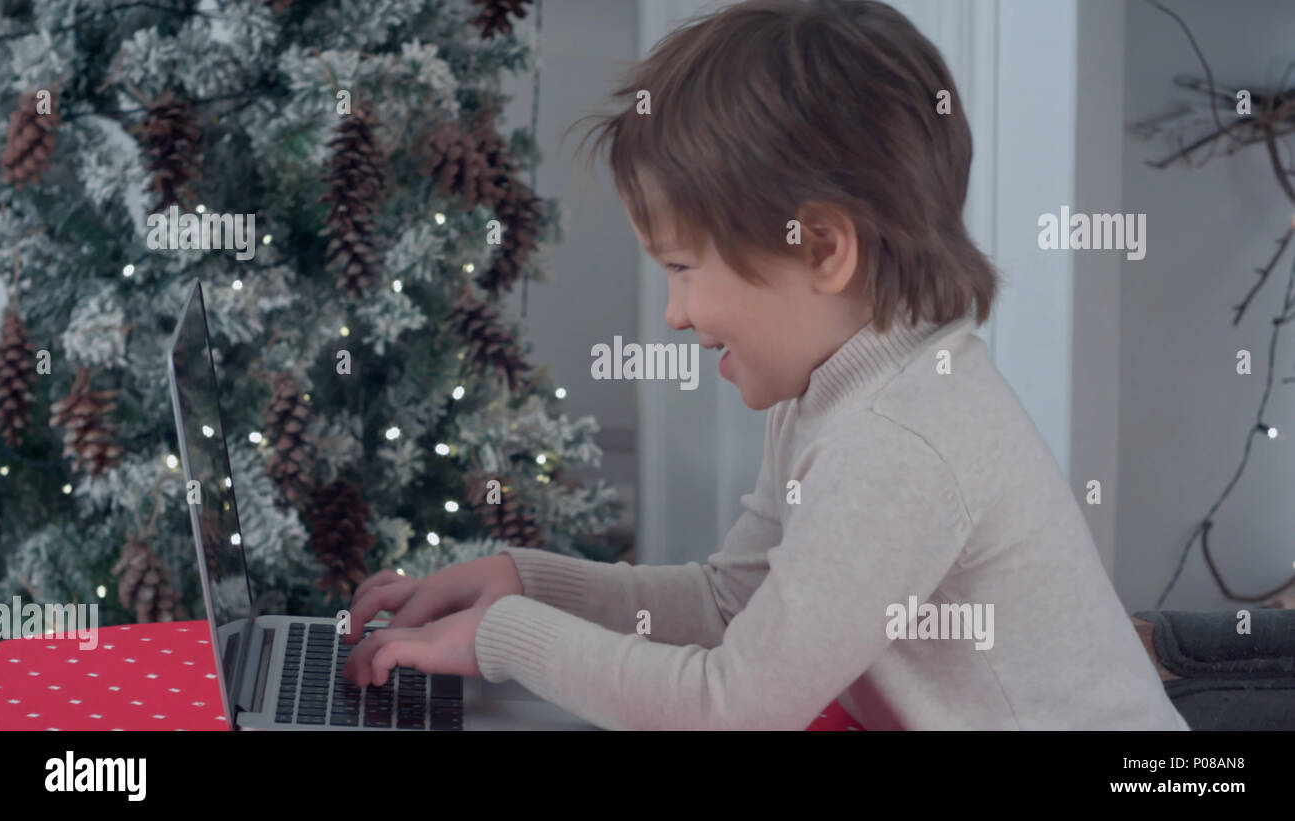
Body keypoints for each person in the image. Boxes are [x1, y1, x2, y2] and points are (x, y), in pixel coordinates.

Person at [341, 0, 1190, 730]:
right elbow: (727, 606)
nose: (674, 313)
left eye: (682, 269)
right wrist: (527, 581)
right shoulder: (837, 388)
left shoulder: (898, 442)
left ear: (821, 248)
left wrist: (505, 637)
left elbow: (733, 708)